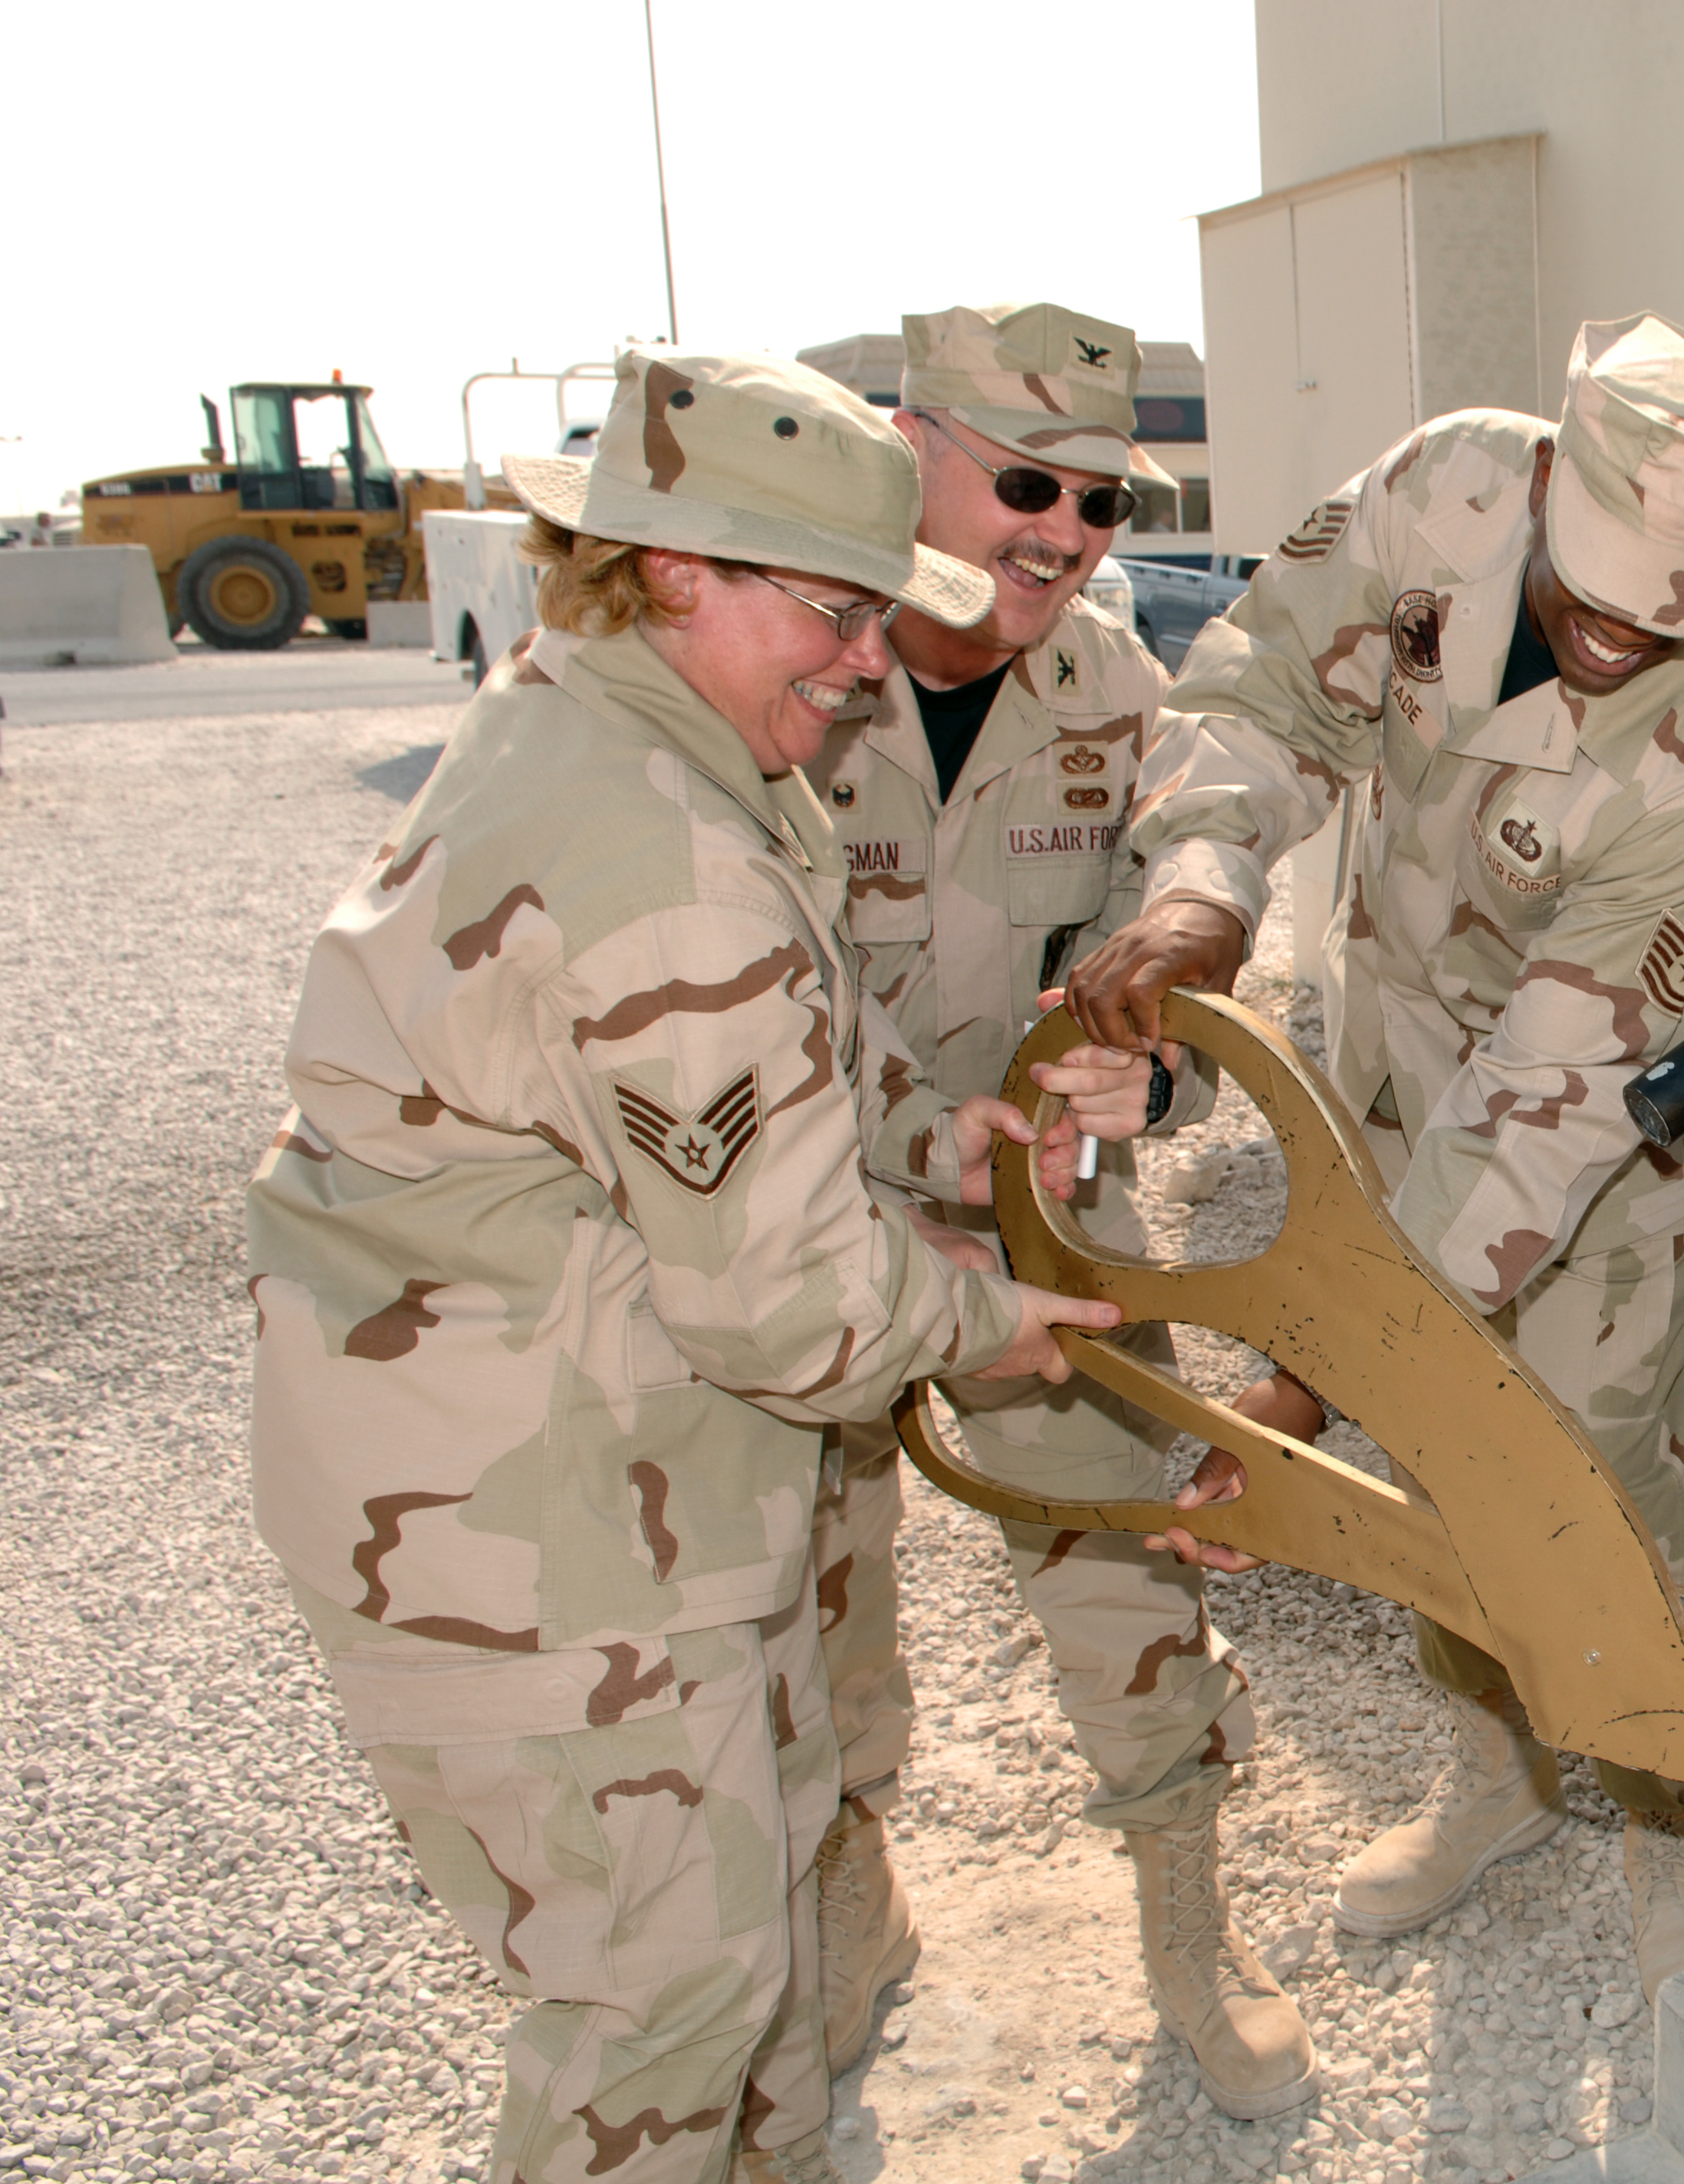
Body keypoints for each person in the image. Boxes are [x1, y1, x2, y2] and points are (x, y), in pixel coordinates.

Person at [247, 348, 1133, 2184]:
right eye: (829, 612)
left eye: (877, 615)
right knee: (654, 2028)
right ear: (671, 568)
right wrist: (1000, 1316)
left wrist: (926, 1131)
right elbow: (801, 1311)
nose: (866, 660)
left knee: (765, 1938)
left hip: (629, 1480)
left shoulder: (633, 727)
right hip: (536, 1544)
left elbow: (774, 1034)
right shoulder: (660, 841)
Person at [1066, 312, 1684, 2000]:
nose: (1617, 649)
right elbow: (1265, 685)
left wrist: (1313, 1377)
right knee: (1441, 1481)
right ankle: (1498, 1772)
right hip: (1395, 1045)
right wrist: (1203, 887)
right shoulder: (1445, 491)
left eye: (1660, 627)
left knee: (1587, 1473)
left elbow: (1542, 1112)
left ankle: (1661, 1803)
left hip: (1599, 1130)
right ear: (1547, 482)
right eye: (1589, 607)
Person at [800, 301, 1315, 2116]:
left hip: (1038, 1212)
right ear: (901, 444)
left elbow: (1151, 944)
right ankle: (847, 1907)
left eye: (1103, 502)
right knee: (799, 1602)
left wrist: (1144, 1078)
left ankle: (1190, 1920)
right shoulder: (789, 654)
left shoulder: (1106, 683)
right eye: (1028, 481)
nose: (1066, 532)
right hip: (791, 1232)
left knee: (1131, 1563)